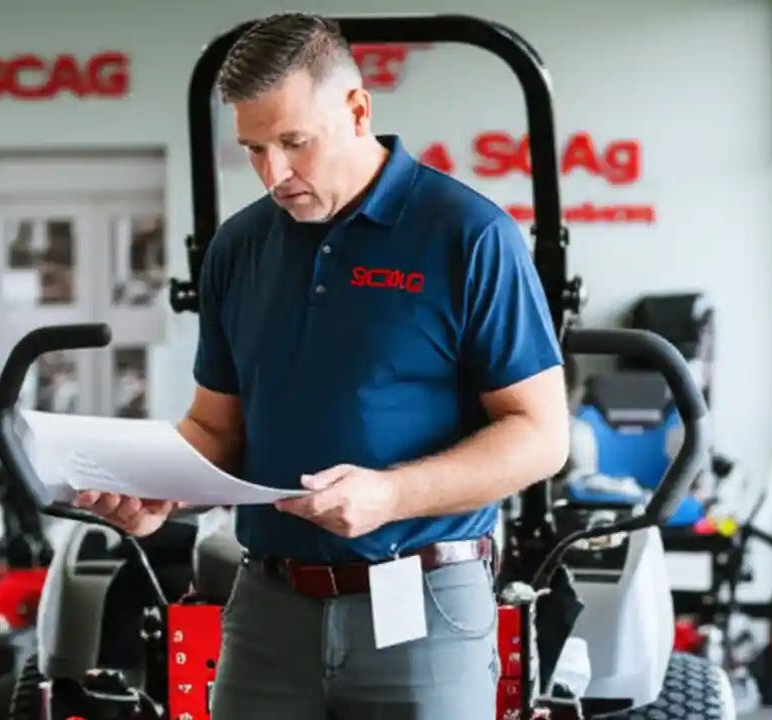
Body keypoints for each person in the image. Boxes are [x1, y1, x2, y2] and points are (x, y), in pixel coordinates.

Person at [74, 12, 569, 719]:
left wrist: (391, 496)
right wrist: (157, 492)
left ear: (357, 109)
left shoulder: (468, 235)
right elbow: (216, 430)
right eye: (252, 149)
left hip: (422, 604)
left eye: (294, 142)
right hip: (267, 611)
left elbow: (542, 437)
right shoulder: (238, 249)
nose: (274, 173)